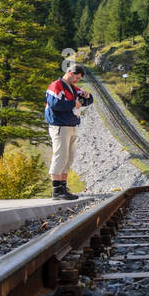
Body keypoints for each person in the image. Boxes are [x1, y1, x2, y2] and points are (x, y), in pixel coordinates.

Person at [45, 62, 91, 200]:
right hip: (60, 125)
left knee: (68, 158)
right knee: (60, 156)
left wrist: (87, 96)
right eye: (77, 78)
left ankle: (63, 187)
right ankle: (57, 190)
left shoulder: (72, 88)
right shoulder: (56, 85)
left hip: (71, 125)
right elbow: (54, 103)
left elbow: (87, 100)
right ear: (71, 73)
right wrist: (73, 104)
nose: (77, 81)